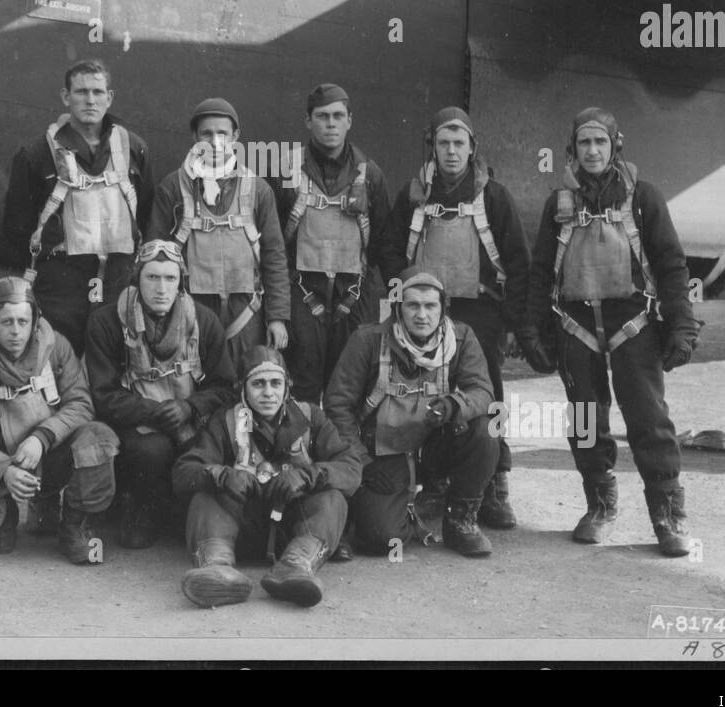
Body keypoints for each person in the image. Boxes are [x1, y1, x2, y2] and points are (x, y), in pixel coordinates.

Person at [525, 107, 702, 557]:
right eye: (584, 143)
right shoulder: (559, 205)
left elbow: (671, 265)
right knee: (585, 421)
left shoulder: (644, 199)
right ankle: (599, 504)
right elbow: (541, 271)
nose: (592, 151)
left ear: (615, 145)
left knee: (649, 419)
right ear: (573, 149)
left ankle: (667, 515)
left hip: (634, 325)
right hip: (576, 327)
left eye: (600, 142)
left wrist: (681, 323)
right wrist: (532, 331)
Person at [380, 107, 534, 530]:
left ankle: (497, 482)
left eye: (459, 144)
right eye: (444, 144)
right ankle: (437, 482)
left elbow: (520, 261)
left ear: (472, 148)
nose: (451, 152)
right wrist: (407, 292)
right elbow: (390, 248)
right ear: (433, 146)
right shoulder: (414, 197)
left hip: (479, 313)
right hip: (427, 314)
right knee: (428, 392)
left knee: (488, 394)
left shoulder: (494, 197)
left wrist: (512, 320)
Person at [0, 276, 118, 564]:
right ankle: (4, 519)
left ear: (35, 321)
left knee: (98, 439)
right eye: (6, 322)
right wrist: (4, 471)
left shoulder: (56, 348)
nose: (15, 331)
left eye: (23, 322)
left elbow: (81, 404)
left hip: (50, 453)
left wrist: (42, 437)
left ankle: (73, 527)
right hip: (1, 461)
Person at [325, 270, 499, 558]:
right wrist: (360, 461)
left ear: (443, 309)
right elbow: (337, 407)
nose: (422, 315)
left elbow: (482, 392)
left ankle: (460, 519)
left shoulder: (462, 337)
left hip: (435, 445)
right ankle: (394, 508)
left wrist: (454, 405)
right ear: (398, 308)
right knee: (381, 539)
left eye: (430, 306)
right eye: (412, 305)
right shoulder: (368, 340)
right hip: (384, 452)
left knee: (487, 426)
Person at [172, 347, 363, 609]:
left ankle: (295, 568)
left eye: (276, 383)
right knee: (205, 494)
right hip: (239, 532)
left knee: (334, 497)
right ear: (243, 388)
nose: (268, 393)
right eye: (258, 384)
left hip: (293, 529)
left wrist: (307, 476)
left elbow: (351, 467)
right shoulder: (225, 420)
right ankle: (217, 570)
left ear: (287, 387)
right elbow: (184, 471)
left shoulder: (311, 417)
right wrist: (223, 475)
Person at [86, 239, 237, 548]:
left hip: (189, 420)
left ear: (181, 282)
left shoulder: (203, 322)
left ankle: (179, 511)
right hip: (136, 423)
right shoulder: (108, 322)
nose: (161, 288)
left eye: (170, 278)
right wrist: (152, 412)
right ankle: (140, 508)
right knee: (151, 450)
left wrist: (189, 407)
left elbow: (225, 387)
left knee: (203, 450)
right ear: (136, 279)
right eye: (152, 277)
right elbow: (103, 393)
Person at [2, 59, 154, 357]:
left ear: (109, 97)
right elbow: (16, 226)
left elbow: (147, 215)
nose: (90, 99)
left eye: (98, 92)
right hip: (60, 286)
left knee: (112, 366)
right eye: (81, 91)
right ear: (65, 96)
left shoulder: (135, 149)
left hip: (116, 283)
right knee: (58, 364)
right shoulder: (36, 154)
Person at [147, 97, 290, 368]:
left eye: (222, 133)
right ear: (195, 137)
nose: (215, 142)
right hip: (190, 308)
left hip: (247, 311)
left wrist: (277, 317)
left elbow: (275, 256)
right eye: (207, 134)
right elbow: (154, 257)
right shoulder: (173, 188)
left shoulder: (258, 190)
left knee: (245, 382)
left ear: (235, 136)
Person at [274, 83, 391, 404]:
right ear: (308, 121)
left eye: (338, 116)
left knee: (349, 389)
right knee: (302, 387)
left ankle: (344, 454)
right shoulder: (285, 170)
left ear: (350, 120)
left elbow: (383, 243)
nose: (331, 123)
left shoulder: (371, 175)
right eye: (322, 116)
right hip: (301, 294)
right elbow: (272, 241)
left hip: (353, 296)